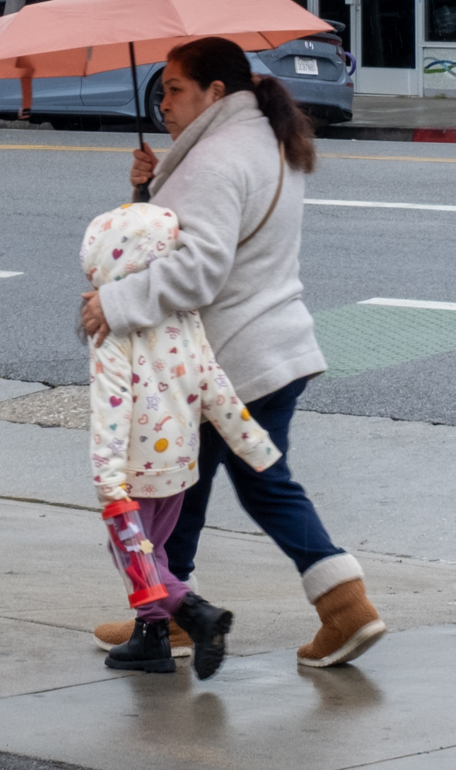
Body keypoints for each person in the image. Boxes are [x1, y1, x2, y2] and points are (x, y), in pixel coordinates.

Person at [78, 36, 387, 669]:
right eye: (162, 90)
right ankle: (176, 618)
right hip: (273, 346)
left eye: (176, 89)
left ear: (215, 92)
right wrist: (152, 187)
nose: (163, 103)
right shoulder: (263, 139)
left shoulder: (214, 160)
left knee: (212, 486)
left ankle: (338, 606)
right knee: (205, 489)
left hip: (229, 358)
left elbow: (200, 267)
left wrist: (115, 302)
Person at [80, 201, 280, 679]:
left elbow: (111, 407)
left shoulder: (112, 327)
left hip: (135, 470)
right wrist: (254, 445)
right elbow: (214, 385)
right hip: (180, 464)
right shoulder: (185, 317)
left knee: (131, 552)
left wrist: (108, 478)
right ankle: (152, 639)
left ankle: (194, 612)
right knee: (156, 548)